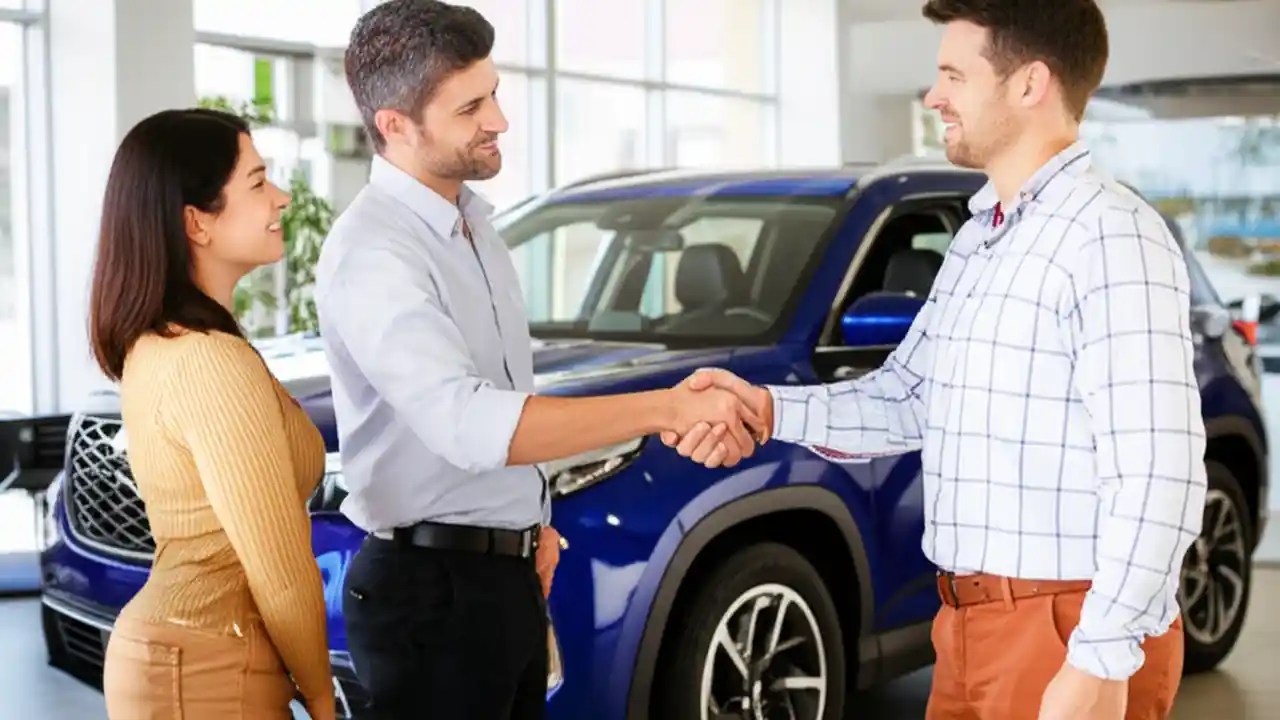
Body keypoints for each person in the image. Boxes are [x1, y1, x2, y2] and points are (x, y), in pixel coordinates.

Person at [665, 1, 1205, 719]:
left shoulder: (1109, 234)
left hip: (1063, 627)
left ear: (1029, 84)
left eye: (954, 74)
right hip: (967, 623)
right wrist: (766, 408)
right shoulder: (981, 238)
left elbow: (1159, 469)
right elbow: (909, 396)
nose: (934, 96)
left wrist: (1099, 655)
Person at [313, 2, 763, 718]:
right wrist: (668, 407)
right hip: (430, 599)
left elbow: (501, 400)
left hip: (502, 576)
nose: (499, 119)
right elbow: (469, 422)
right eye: (471, 107)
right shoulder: (376, 252)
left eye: (493, 93)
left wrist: (525, 522)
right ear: (396, 125)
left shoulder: (474, 225)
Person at [91, 108, 335, 720]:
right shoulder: (207, 361)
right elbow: (279, 569)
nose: (280, 199)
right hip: (205, 665)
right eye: (257, 183)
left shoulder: (168, 343)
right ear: (196, 222)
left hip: (189, 653)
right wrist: (323, 697)